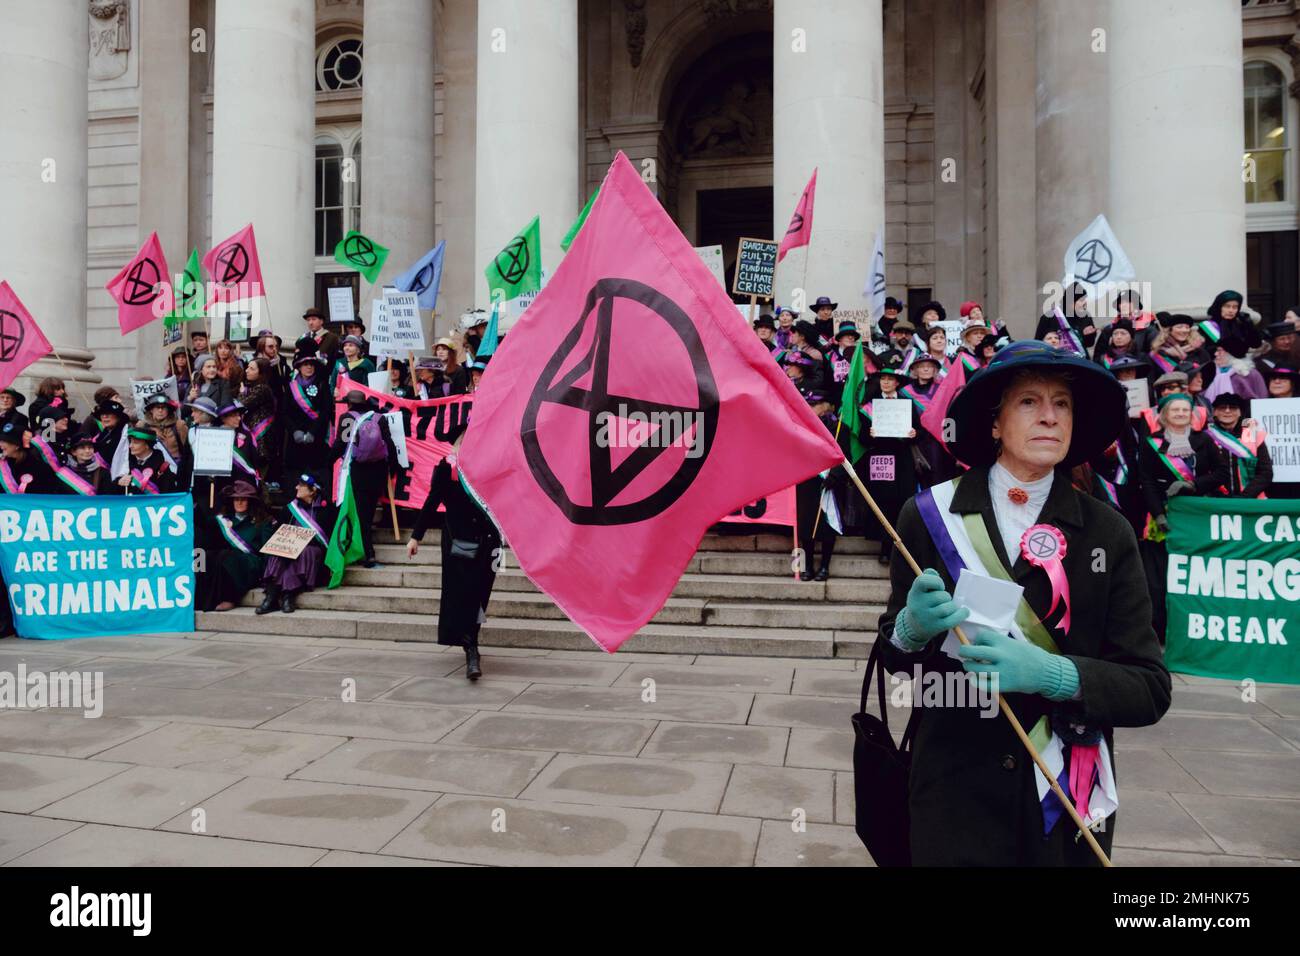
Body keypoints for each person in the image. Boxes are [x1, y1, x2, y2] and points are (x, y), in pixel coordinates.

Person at [877, 341, 1170, 865]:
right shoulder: (926, 516)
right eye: (1029, 402)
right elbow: (898, 662)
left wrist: (1055, 675)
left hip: (1062, 799)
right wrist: (910, 629)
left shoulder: (1109, 531)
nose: (1050, 417)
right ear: (994, 424)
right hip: (953, 790)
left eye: (1062, 404)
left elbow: (1148, 688)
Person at [407, 425, 501, 680]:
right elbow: (432, 500)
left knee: (480, 595)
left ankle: (472, 638)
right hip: (460, 541)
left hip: (489, 543)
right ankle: (471, 649)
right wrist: (416, 536)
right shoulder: (446, 468)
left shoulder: (488, 467)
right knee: (464, 593)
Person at [1137, 392, 1229, 638]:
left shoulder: (1204, 441)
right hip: (1163, 514)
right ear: (1164, 415)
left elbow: (1222, 474)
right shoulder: (1151, 443)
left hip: (1197, 515)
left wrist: (1193, 485)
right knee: (1162, 575)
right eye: (1175, 410)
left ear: (1192, 414)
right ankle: (1163, 629)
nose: (1180, 414)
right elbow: (1145, 480)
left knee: (1196, 572)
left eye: (1185, 410)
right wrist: (1157, 514)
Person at [782, 350, 838, 580]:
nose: (810, 409)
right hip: (805, 480)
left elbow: (843, 455)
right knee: (803, 527)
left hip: (830, 483)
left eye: (814, 405)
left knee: (826, 527)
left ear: (824, 406)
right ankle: (804, 566)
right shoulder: (799, 427)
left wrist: (835, 476)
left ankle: (824, 566)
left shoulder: (836, 427)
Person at [859, 355, 918, 566]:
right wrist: (870, 434)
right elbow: (862, 437)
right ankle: (884, 547)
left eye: (890, 379)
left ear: (896, 382)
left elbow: (919, 431)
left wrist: (913, 433)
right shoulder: (869, 406)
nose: (886, 382)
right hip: (880, 457)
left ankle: (899, 545)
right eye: (883, 378)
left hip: (901, 458)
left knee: (900, 501)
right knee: (882, 502)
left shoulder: (907, 404)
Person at [332, 389, 399, 568]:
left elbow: (341, 444)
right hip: (378, 471)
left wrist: (325, 460)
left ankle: (368, 554)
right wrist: (392, 469)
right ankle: (366, 552)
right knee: (368, 512)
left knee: (362, 515)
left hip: (358, 471)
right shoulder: (379, 418)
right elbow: (390, 444)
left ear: (350, 403)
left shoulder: (347, 417)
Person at [258, 473, 336, 615]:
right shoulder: (289, 509)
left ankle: (289, 595)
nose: (296, 487)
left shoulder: (325, 510)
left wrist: (300, 541)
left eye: (301, 485)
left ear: (312, 490)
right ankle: (272, 595)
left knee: (305, 551)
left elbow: (328, 538)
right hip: (290, 549)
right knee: (278, 550)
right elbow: (278, 533)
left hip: (313, 553)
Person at [198, 481, 276, 612]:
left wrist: (268, 576)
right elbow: (202, 523)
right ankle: (203, 599)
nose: (239, 503)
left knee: (228, 557)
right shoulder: (224, 520)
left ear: (250, 502)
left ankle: (229, 598)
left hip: (251, 563)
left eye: (243, 499)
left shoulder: (263, 521)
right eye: (236, 499)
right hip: (227, 559)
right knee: (207, 556)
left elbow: (267, 549)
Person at [1206, 393, 1271, 499]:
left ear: (1240, 412)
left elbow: (1265, 472)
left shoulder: (1253, 435)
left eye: (1233, 407)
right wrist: (1219, 495)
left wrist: (1244, 497)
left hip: (1250, 499)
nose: (1227, 411)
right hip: (1216, 501)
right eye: (1222, 408)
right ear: (1215, 412)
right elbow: (1203, 472)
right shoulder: (1207, 436)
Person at [283, 353, 335, 477]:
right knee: (295, 473)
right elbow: (285, 412)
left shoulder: (322, 385)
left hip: (317, 436)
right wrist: (295, 431)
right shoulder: (291, 386)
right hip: (296, 437)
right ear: (299, 367)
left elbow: (326, 411)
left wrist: (313, 432)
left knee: (315, 472)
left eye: (312, 365)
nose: (309, 368)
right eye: (305, 365)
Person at [240, 357, 279, 476]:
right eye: (247, 367)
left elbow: (241, 406)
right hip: (254, 438)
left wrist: (241, 394)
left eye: (251, 369)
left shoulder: (262, 389)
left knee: (258, 478)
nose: (247, 370)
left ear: (261, 373)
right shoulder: (252, 387)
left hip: (261, 440)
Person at [1034, 282, 1097, 353]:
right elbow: (1037, 344)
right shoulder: (1050, 317)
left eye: (1085, 299)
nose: (1085, 303)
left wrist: (1089, 336)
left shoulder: (1086, 317)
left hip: (1078, 360)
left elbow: (1090, 344)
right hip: (1054, 360)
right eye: (1081, 300)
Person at [0, 421, 60, 494]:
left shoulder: (40, 468)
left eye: (4, 441)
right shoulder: (3, 465)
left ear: (17, 445)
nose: (0, 445)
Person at [118, 424, 178, 494]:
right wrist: (119, 482)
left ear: (147, 445)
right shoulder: (125, 463)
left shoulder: (162, 467)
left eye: (136, 443)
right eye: (130, 442)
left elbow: (168, 496)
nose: (130, 446)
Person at [1203, 289, 1261, 361]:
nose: (1231, 310)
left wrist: (1249, 324)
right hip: (1218, 365)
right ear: (1219, 307)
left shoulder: (1240, 323)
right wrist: (1224, 323)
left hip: (1241, 363)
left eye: (1235, 307)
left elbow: (1256, 344)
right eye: (1227, 306)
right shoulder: (1209, 325)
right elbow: (1230, 348)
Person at [141, 393, 187, 465]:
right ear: (151, 410)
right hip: (151, 466)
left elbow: (187, 449)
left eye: (163, 407)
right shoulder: (143, 426)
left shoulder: (179, 425)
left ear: (168, 410)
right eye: (157, 407)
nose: (160, 410)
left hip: (175, 466)